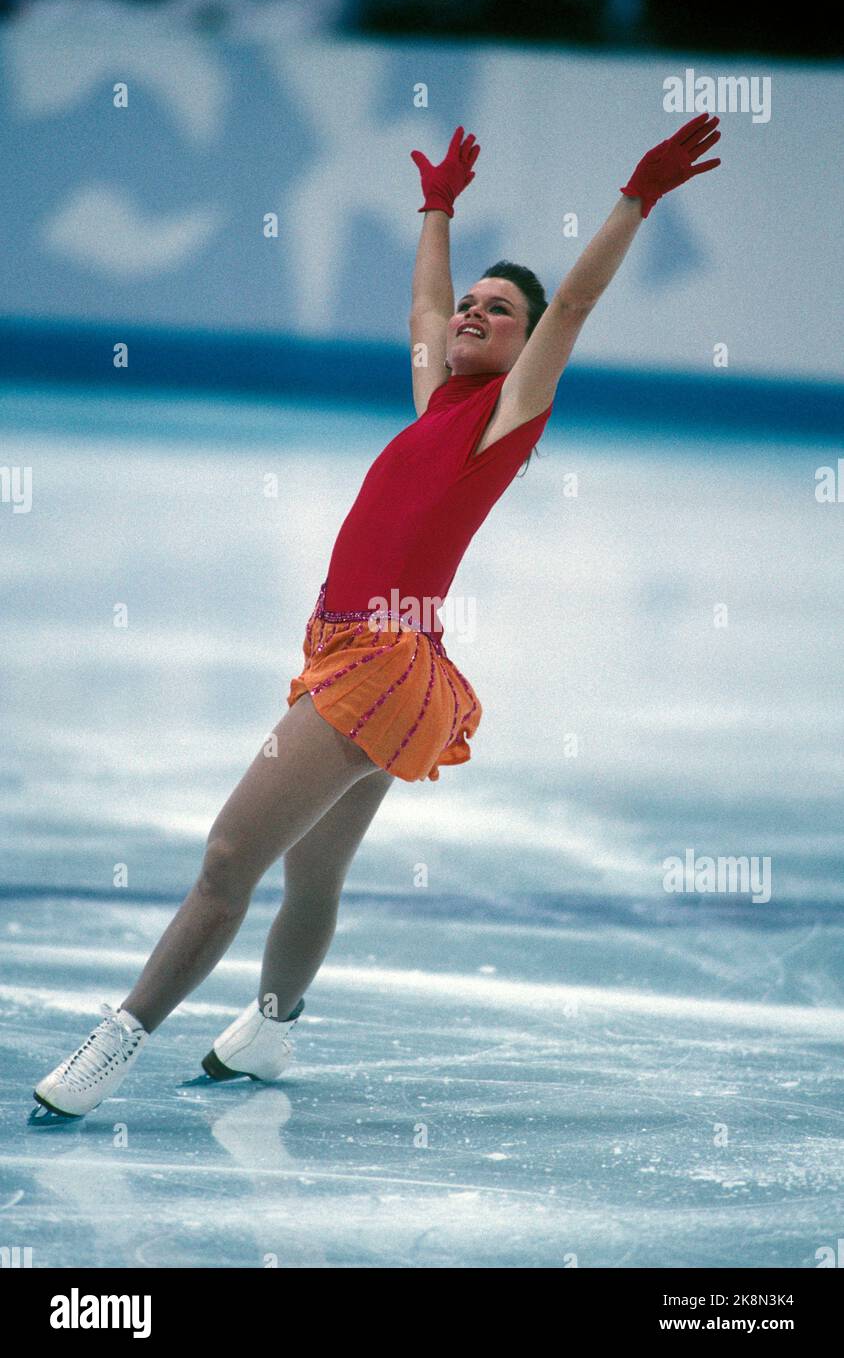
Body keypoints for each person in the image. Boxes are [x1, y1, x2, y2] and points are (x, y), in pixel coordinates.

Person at [31, 115, 721, 1119]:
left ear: (527, 348)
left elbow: (571, 302)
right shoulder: (439, 402)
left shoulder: (500, 420)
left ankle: (116, 1041)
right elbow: (424, 304)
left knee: (228, 861)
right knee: (312, 873)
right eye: (470, 307)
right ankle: (270, 1028)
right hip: (372, 657)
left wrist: (635, 197)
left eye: (499, 310)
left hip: (380, 663)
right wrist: (436, 209)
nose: (471, 315)